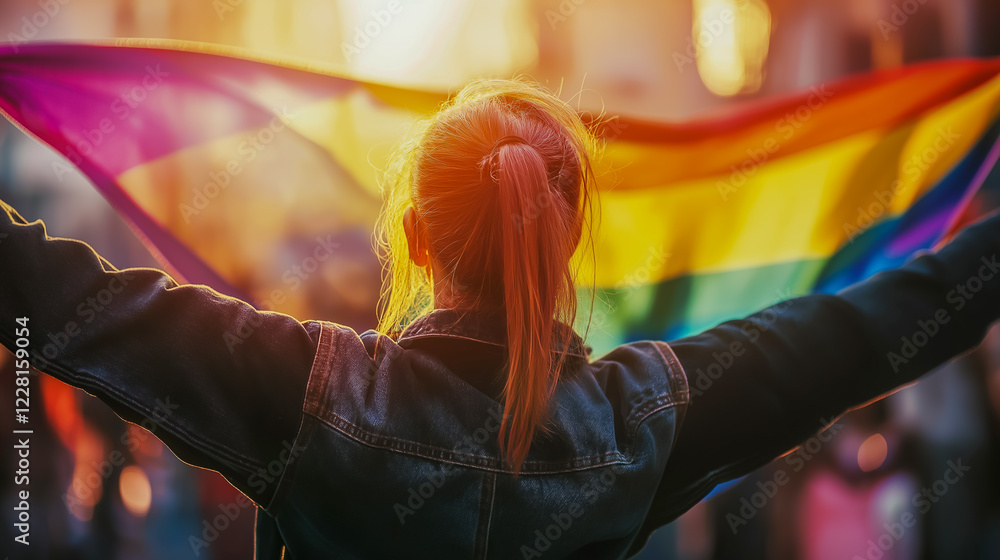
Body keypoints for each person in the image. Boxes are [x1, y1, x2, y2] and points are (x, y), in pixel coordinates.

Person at [1, 78, 999, 560]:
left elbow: (59, 295)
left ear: (417, 239)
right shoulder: (639, 416)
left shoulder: (307, 389)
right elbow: (884, 320)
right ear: (562, 242)